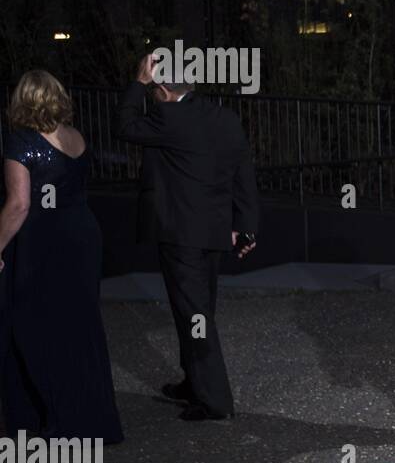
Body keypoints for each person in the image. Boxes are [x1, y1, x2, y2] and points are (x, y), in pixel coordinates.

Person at [114, 53, 260, 421]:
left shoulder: (168, 117)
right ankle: (194, 382)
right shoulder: (225, 117)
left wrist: (138, 82)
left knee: (195, 313)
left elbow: (124, 126)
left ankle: (214, 400)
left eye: (154, 90)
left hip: (182, 234)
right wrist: (246, 225)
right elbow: (243, 172)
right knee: (196, 310)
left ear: (163, 89)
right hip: (215, 231)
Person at [0, 71, 123, 442]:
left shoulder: (21, 141)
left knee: (32, 329)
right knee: (80, 327)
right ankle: (90, 420)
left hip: (43, 240)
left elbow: (19, 204)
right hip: (82, 234)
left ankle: (56, 420)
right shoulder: (75, 137)